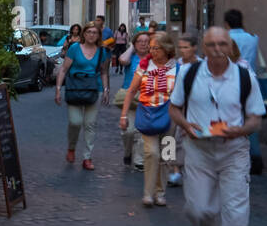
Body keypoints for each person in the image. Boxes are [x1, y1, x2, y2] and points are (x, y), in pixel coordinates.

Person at [169, 27, 265, 226]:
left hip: (234, 150)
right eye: (211, 44)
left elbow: (256, 118)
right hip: (199, 150)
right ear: (204, 48)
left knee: (236, 212)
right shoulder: (189, 75)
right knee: (198, 209)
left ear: (230, 46)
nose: (217, 49)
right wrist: (186, 126)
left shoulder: (246, 78)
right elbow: (174, 108)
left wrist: (241, 130)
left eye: (222, 44)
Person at [119, 31, 178, 206]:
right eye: (151, 48)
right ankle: (148, 193)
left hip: (171, 117)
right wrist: (124, 115)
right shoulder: (144, 65)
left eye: (156, 48)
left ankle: (160, 193)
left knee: (167, 156)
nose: (152, 51)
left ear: (167, 48)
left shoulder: (177, 67)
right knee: (151, 153)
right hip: (148, 114)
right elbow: (131, 91)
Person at [54, 22, 111, 170]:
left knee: (90, 124)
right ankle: (71, 148)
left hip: (93, 89)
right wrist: (58, 89)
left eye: (95, 32)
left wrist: (105, 90)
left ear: (98, 35)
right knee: (75, 122)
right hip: (75, 88)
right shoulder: (74, 49)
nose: (92, 35)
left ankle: (87, 157)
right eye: (89, 32)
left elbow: (104, 72)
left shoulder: (102, 52)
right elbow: (63, 69)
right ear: (84, 34)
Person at [224, 9, 267, 175]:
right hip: (250, 80)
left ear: (227, 23)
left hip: (230, 81)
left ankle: (231, 156)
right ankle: (255, 157)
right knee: (250, 118)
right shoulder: (253, 38)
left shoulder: (225, 39)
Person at [166, 33, 201, 187]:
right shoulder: (174, 64)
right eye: (180, 47)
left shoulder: (201, 65)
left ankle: (181, 169)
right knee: (169, 138)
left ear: (194, 48)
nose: (182, 51)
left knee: (184, 138)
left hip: (191, 107)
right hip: (173, 105)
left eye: (186, 47)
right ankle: (170, 169)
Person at [117, 31, 152, 170]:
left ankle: (139, 160)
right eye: (140, 41)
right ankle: (128, 152)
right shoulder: (131, 57)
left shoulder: (153, 58)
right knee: (128, 131)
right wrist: (131, 47)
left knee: (142, 131)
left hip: (147, 99)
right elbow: (122, 60)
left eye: (146, 41)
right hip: (130, 97)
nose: (143, 44)